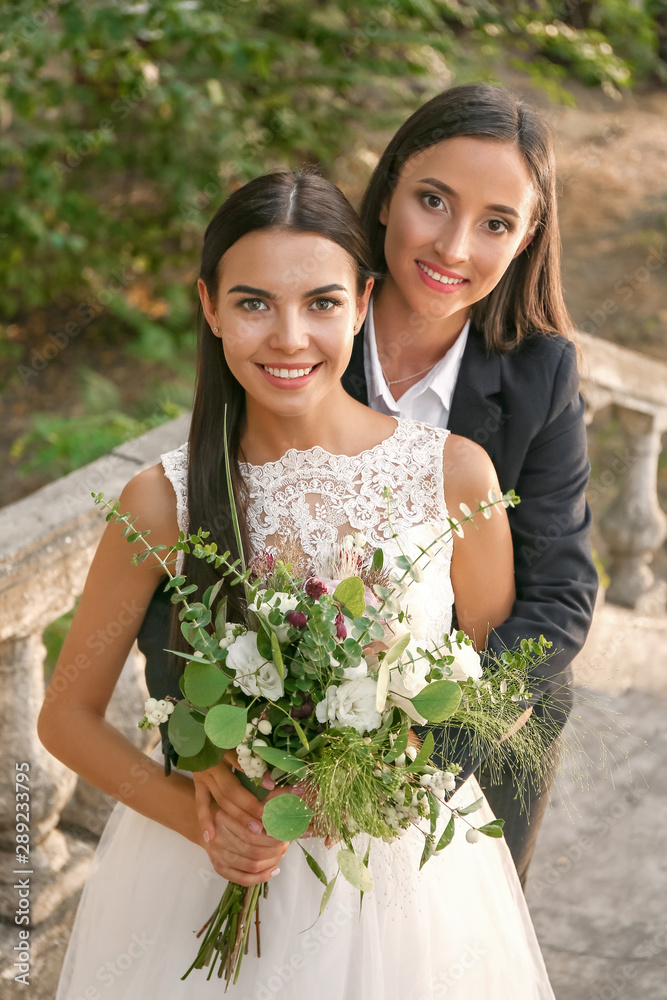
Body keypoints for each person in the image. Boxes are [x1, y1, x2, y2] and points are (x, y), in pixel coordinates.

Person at [39, 171, 555, 998]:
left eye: (319, 303)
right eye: (252, 304)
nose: (287, 338)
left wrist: (399, 765)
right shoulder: (160, 502)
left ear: (360, 303)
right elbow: (65, 716)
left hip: (404, 889)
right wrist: (200, 818)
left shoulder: (453, 478)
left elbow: (501, 689)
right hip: (206, 875)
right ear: (208, 308)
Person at [341, 82, 598, 887]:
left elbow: (560, 591)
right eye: (431, 200)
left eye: (495, 223)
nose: (453, 247)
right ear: (386, 196)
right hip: (292, 723)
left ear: (525, 240)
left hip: (480, 734)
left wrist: (436, 742)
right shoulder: (302, 324)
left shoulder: (540, 373)